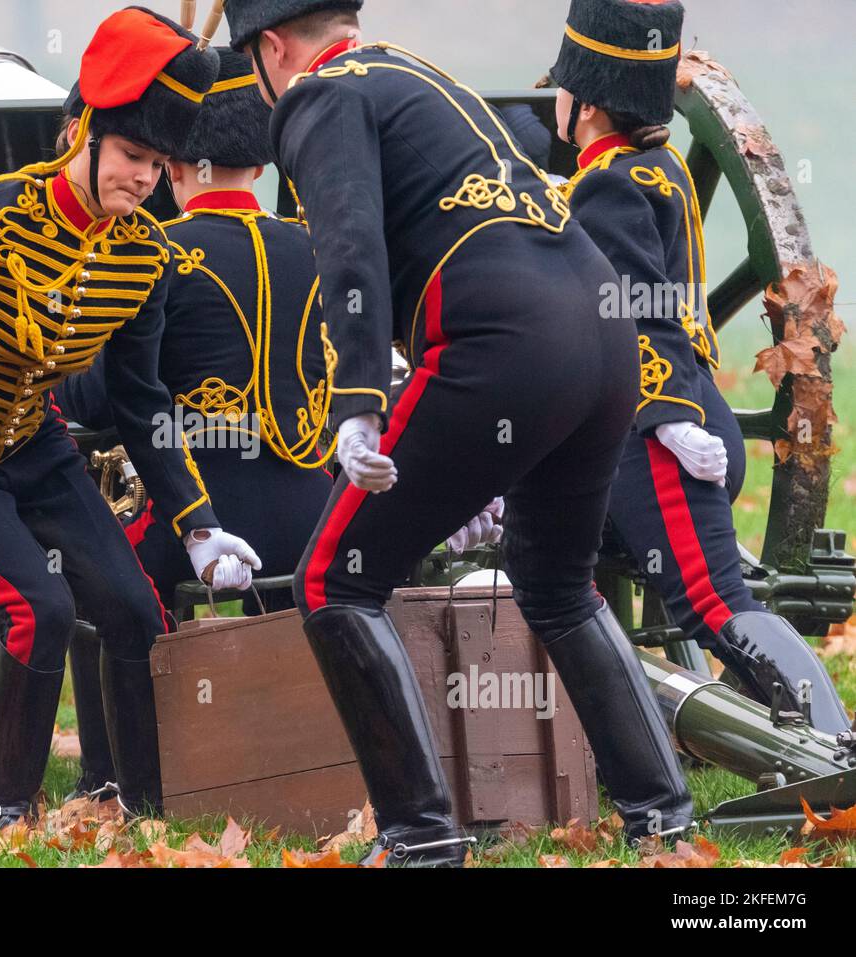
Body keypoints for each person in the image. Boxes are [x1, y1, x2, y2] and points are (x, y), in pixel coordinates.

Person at [220, 0, 694, 864]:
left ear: (273, 47)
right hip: (600, 334)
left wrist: (358, 397)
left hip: (505, 338)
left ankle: (420, 836)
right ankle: (663, 818)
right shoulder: (415, 72)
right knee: (558, 583)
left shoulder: (317, 96)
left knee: (334, 580)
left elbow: (348, 242)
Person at [0, 6, 263, 831]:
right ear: (80, 131)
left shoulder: (147, 256)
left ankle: (143, 804)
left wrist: (197, 524)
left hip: (35, 446)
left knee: (136, 612)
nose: (146, 179)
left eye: (158, 164)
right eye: (130, 156)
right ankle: (4, 812)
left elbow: (141, 402)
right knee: (37, 609)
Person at [552, 0, 850, 734]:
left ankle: (832, 743)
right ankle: (808, 740)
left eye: (563, 84)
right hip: (682, 420)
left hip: (658, 433)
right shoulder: (658, 168)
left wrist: (668, 418)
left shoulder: (605, 185)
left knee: (718, 603)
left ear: (586, 103)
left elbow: (642, 313)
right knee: (713, 598)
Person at [54, 47, 336, 799]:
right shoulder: (315, 248)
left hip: (196, 517)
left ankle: (114, 780)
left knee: (97, 592)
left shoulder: (153, 255)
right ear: (259, 165)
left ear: (178, 169)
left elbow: (101, 401)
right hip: (313, 512)